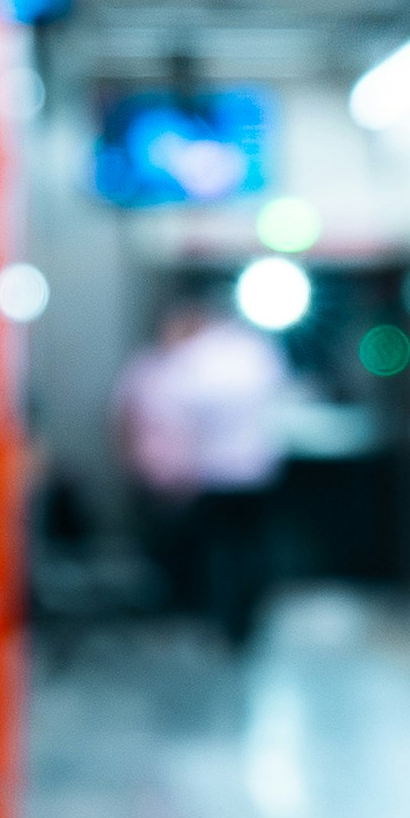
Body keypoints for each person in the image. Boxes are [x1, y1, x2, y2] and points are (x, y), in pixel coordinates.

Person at [116, 267, 306, 653]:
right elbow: (281, 397)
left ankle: (225, 621)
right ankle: (246, 623)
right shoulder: (258, 351)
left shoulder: (196, 357)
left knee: (221, 552)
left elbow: (173, 408)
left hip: (215, 472)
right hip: (256, 470)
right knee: (251, 550)